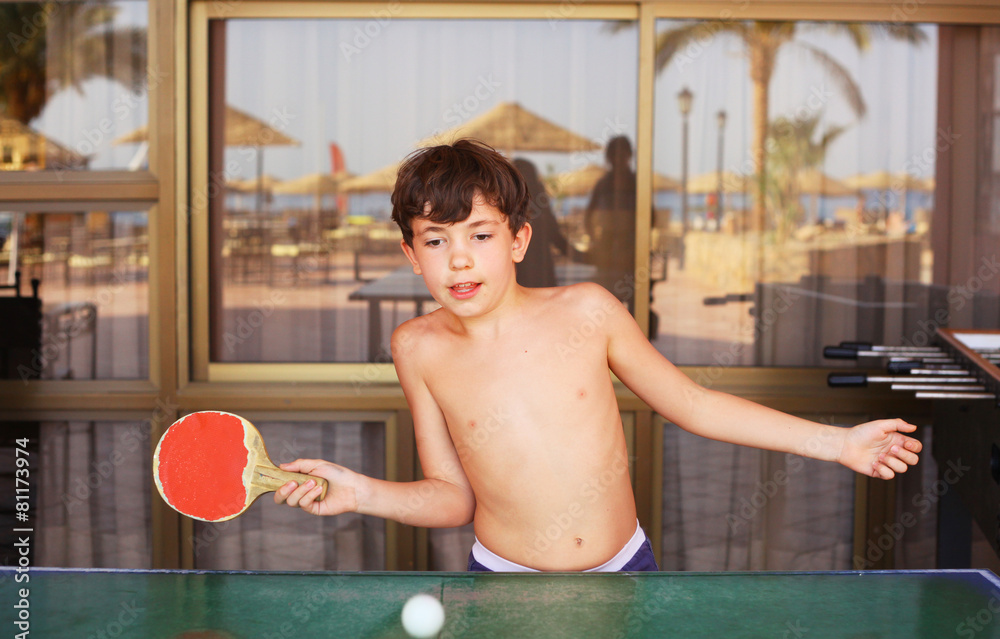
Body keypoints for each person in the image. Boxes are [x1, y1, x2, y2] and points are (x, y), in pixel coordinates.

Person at [275, 139, 921, 573]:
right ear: (412, 255)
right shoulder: (415, 347)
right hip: (502, 581)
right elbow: (452, 499)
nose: (460, 258)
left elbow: (694, 405)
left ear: (520, 240)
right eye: (436, 240)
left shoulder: (587, 311)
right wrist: (360, 492)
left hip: (623, 571)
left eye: (480, 234)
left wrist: (837, 445)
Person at [584, 135, 637, 308]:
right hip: (609, 250)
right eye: (615, 154)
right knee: (607, 305)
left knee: (633, 302)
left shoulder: (635, 183)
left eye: (622, 154)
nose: (618, 159)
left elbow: (649, 218)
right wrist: (597, 242)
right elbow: (588, 216)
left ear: (629, 156)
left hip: (630, 251)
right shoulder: (604, 184)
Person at [512, 158, 570, 288]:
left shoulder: (510, 206)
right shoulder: (539, 202)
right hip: (539, 273)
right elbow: (556, 236)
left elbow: (555, 236)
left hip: (525, 273)